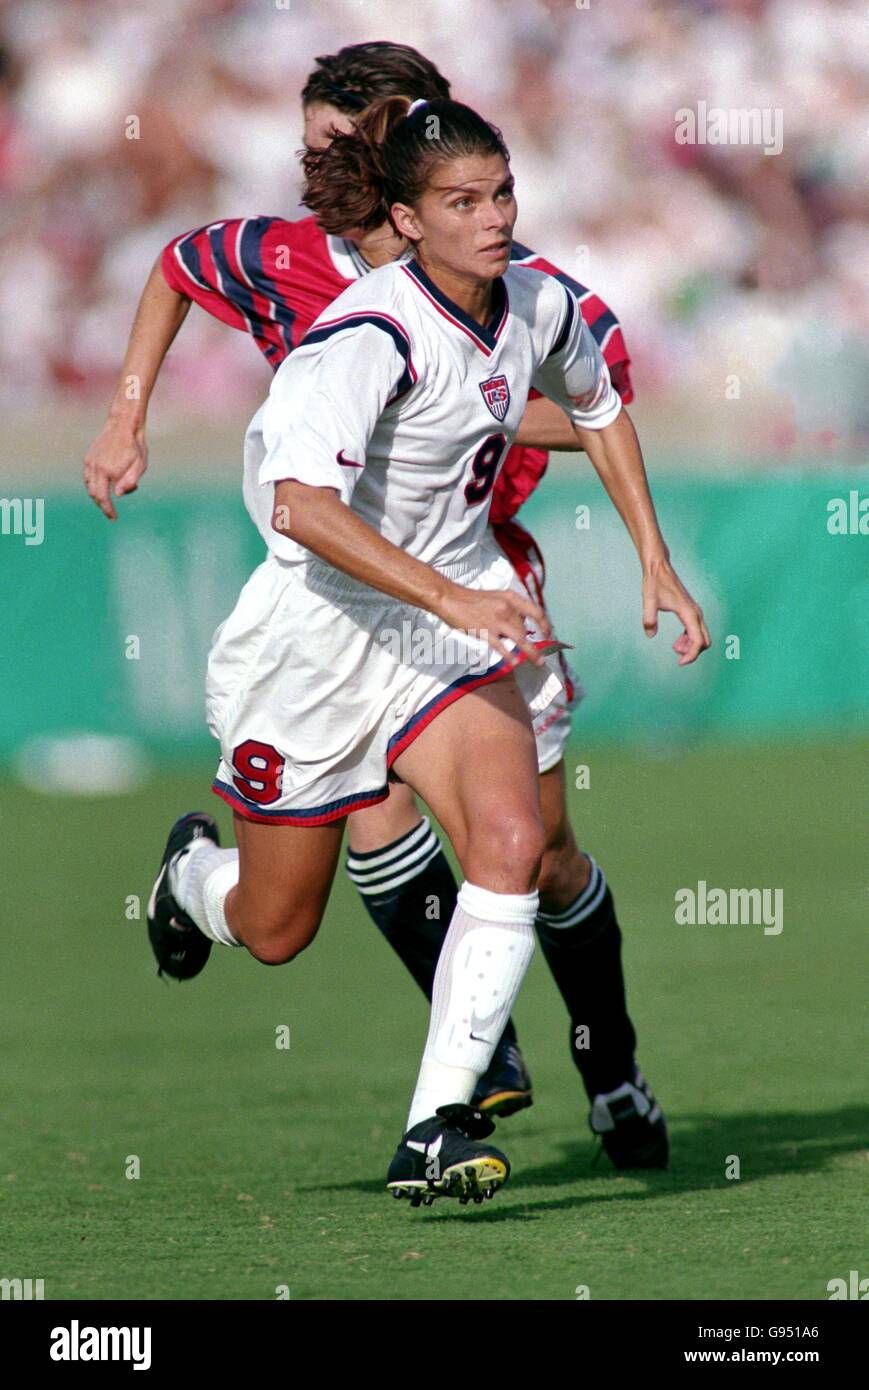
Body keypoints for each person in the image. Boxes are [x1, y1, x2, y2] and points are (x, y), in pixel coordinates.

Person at [85, 42, 680, 1169]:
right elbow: (179, 272)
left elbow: (591, 399)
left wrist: (593, 516)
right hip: (330, 612)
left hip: (468, 588)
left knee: (527, 845)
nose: (317, 164)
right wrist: (125, 415)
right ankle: (211, 892)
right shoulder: (334, 301)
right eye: (310, 145)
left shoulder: (513, 287)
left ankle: (490, 1092)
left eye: (339, 142)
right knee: (280, 922)